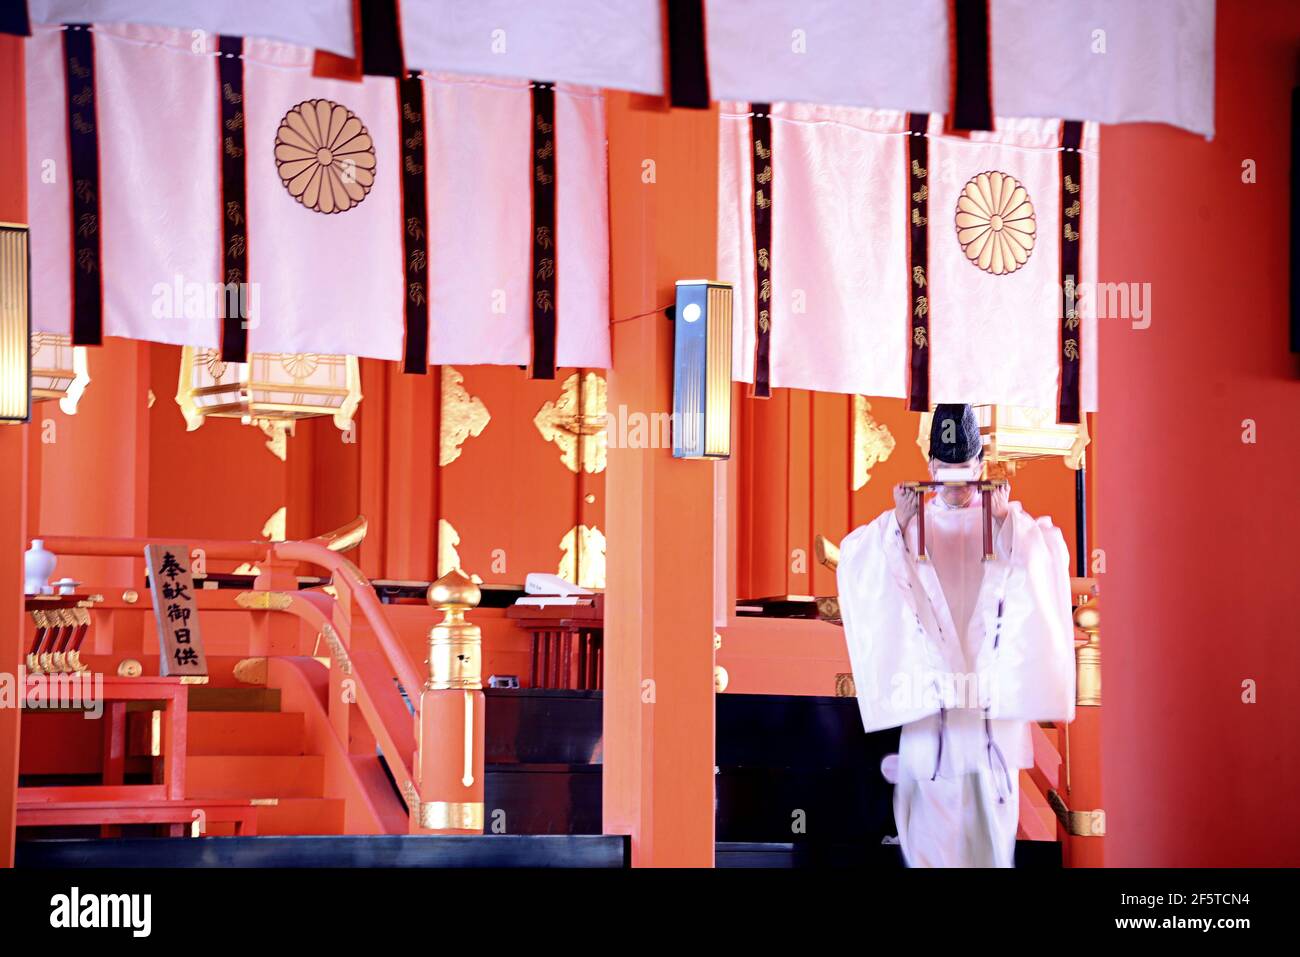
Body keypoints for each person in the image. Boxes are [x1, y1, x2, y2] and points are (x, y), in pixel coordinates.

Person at [836, 404, 1075, 867]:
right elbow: (860, 565)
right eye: (947, 478)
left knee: (990, 832)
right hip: (933, 707)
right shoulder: (907, 526)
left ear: (983, 467)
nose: (958, 491)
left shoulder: (1009, 524)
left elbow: (1046, 564)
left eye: (967, 478)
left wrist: (1008, 524)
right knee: (930, 831)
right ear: (930, 468)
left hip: (989, 710)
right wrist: (901, 525)